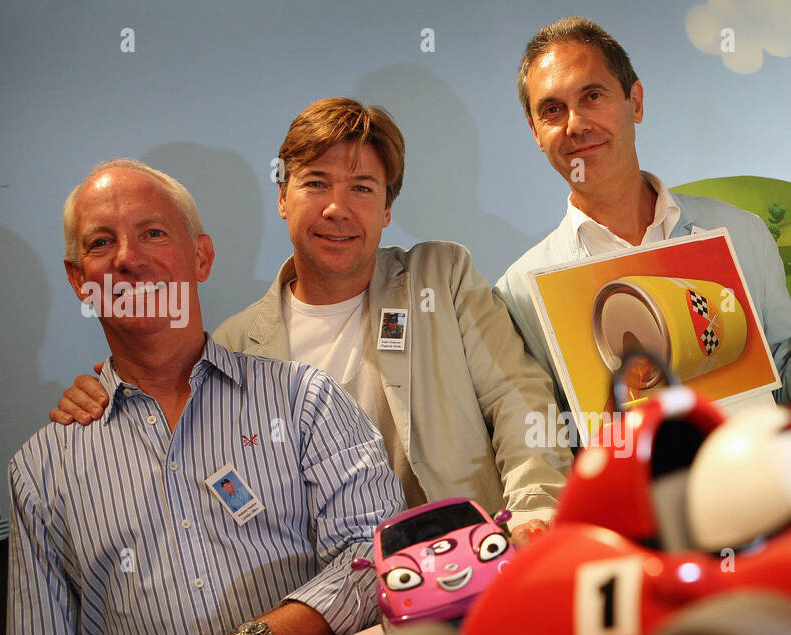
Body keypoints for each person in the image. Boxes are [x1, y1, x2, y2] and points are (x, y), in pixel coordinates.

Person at [8, 160, 405, 635]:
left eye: (151, 232)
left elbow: (374, 558)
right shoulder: (43, 467)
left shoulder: (304, 401)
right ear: (78, 279)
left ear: (200, 255)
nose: (127, 258)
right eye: (101, 244)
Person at [52, 98, 570, 547]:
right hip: (329, 607)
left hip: (474, 559)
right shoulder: (235, 345)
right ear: (282, 197)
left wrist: (534, 516)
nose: (336, 209)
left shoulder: (440, 277)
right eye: (315, 183)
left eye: (363, 188)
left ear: (387, 209)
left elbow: (518, 399)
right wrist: (104, 391)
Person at [495, 17, 791, 407]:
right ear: (536, 132)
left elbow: (784, 380)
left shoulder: (740, 232)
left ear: (635, 103)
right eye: (552, 109)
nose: (575, 124)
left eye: (593, 96)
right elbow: (551, 440)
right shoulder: (516, 294)